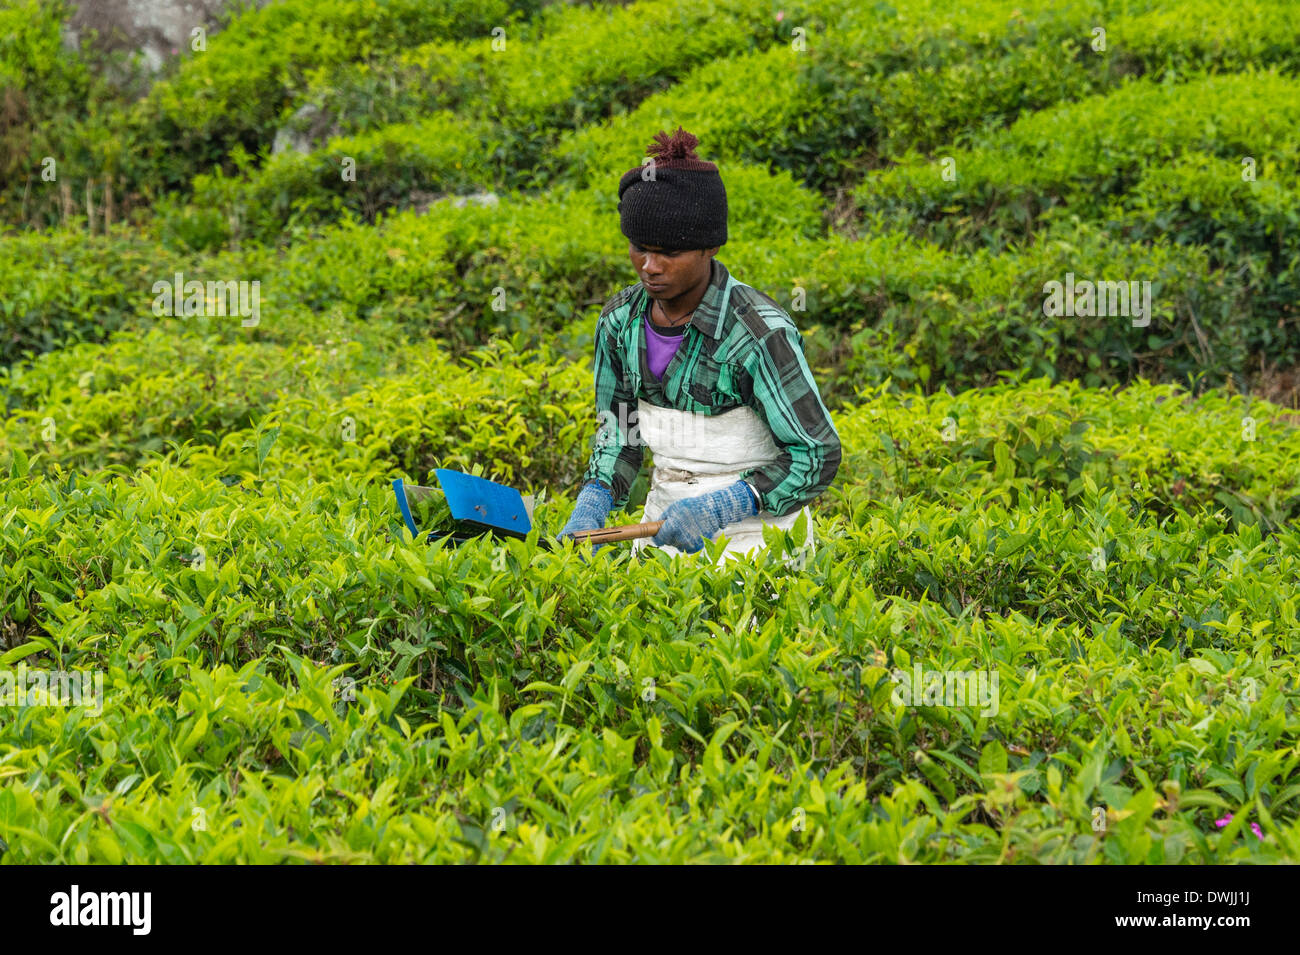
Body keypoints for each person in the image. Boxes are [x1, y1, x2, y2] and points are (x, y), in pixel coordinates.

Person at [559, 126, 841, 563]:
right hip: (661, 526)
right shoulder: (619, 322)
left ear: (708, 247)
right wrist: (595, 497)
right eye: (639, 248)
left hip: (760, 536)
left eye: (668, 252)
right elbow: (619, 431)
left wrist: (726, 504)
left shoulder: (758, 333)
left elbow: (817, 452)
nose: (649, 267)